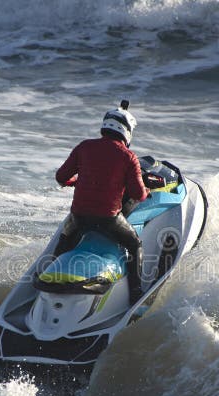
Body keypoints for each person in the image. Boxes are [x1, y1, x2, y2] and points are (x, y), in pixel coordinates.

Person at [53, 100, 149, 303]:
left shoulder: (84, 147)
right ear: (127, 131)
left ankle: (49, 272)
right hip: (108, 220)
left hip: (79, 218)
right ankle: (136, 292)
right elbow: (138, 194)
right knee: (135, 245)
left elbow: (61, 177)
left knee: (65, 239)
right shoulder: (128, 156)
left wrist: (75, 182)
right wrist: (146, 190)